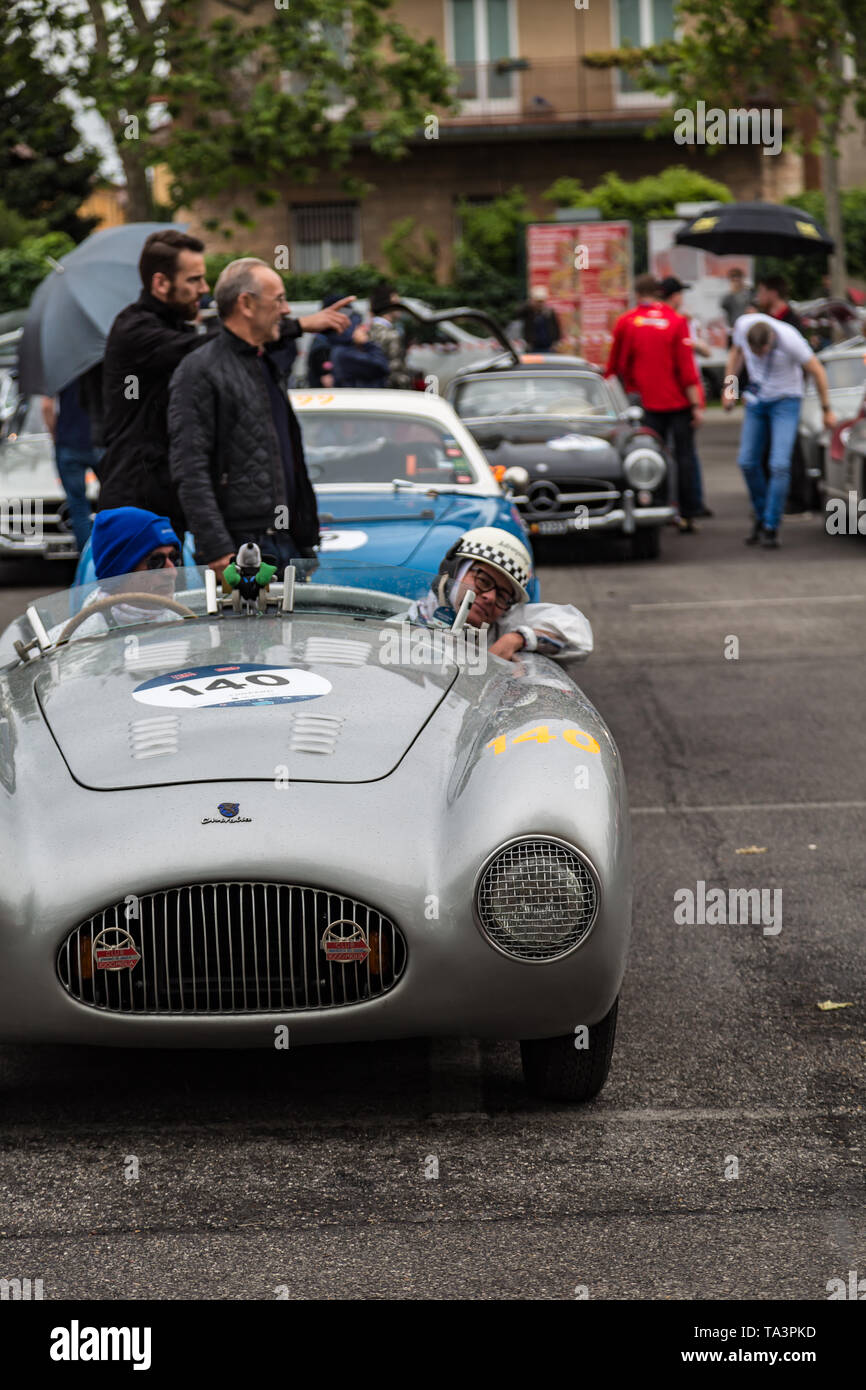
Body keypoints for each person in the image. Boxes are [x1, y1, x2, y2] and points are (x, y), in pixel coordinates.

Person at [100, 229, 353, 536]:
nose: (203, 288)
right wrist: (296, 325)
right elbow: (210, 347)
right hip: (136, 504)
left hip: (168, 499)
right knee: (139, 587)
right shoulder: (134, 329)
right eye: (193, 280)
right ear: (160, 283)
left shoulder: (177, 326)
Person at [168, 258, 322, 579]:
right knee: (248, 631)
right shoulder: (199, 370)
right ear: (247, 304)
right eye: (278, 299)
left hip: (285, 543)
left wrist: (303, 542)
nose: (286, 309)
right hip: (242, 550)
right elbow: (190, 466)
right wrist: (218, 550)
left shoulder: (263, 362)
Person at [724, 315, 836, 547]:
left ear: (771, 340)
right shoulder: (744, 325)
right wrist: (731, 390)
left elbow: (818, 371)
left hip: (786, 401)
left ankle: (770, 526)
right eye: (754, 353)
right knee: (747, 461)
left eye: (762, 351)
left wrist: (826, 410)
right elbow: (735, 355)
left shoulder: (790, 340)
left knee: (779, 465)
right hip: (757, 400)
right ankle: (761, 513)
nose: (758, 356)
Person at [404, 528, 593, 663]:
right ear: (454, 572)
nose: (491, 598)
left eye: (503, 595)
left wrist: (518, 638)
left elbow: (579, 637)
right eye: (483, 581)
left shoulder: (502, 624)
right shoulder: (405, 623)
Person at [606, 273, 703, 532]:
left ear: (637, 293)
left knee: (647, 457)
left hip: (644, 405)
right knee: (684, 457)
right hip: (679, 403)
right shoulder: (676, 320)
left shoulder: (627, 321)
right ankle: (688, 513)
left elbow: (615, 367)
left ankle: (652, 508)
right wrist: (697, 405)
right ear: (659, 293)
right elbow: (687, 369)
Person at [658, 276, 712, 518]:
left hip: (682, 390)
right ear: (674, 296)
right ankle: (680, 504)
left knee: (685, 452)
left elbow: (705, 350)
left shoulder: (684, 321)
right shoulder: (674, 322)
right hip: (680, 392)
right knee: (678, 452)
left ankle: (692, 502)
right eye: (680, 293)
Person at [41, 374, 101, 551]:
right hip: (99, 440)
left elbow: (46, 406)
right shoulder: (100, 361)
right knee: (112, 502)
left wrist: (55, 435)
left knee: (78, 507)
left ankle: (87, 558)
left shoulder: (62, 365)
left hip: (68, 443)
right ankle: (111, 554)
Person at [368, 284, 413, 388]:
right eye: (397, 303)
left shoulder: (367, 331)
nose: (400, 308)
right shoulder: (392, 335)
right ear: (388, 306)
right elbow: (396, 371)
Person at [332, 320, 389, 388]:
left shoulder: (353, 349)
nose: (365, 330)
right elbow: (381, 366)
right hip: (360, 397)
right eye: (359, 328)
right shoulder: (345, 353)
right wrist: (367, 344)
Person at [516, 286, 561, 353]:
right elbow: (517, 314)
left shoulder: (549, 312)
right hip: (533, 347)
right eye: (537, 302)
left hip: (548, 347)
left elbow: (556, 328)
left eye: (541, 302)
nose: (539, 304)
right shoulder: (529, 312)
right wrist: (528, 304)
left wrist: (555, 343)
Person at [720, 267, 753, 333]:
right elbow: (723, 305)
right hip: (733, 328)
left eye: (738, 276)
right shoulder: (729, 295)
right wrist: (732, 292)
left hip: (747, 328)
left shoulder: (748, 292)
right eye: (733, 277)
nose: (735, 279)